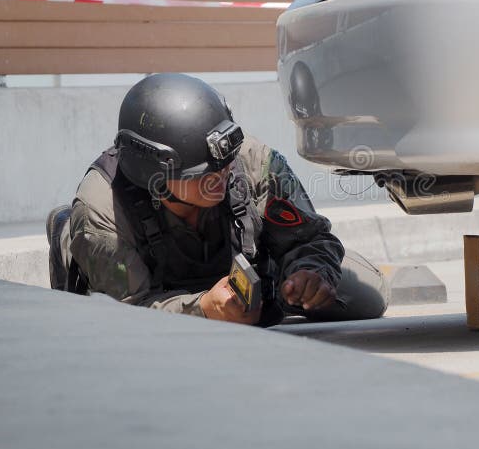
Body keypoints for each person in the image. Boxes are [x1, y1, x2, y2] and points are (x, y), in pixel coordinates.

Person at [45, 73, 388, 327]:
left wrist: (309, 274)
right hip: (149, 287)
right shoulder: (103, 208)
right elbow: (130, 310)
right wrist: (204, 310)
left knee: (367, 297)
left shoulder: (254, 162)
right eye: (205, 174)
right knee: (116, 326)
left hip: (248, 285)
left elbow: (313, 238)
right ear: (158, 181)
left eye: (226, 163)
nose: (223, 175)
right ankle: (69, 237)